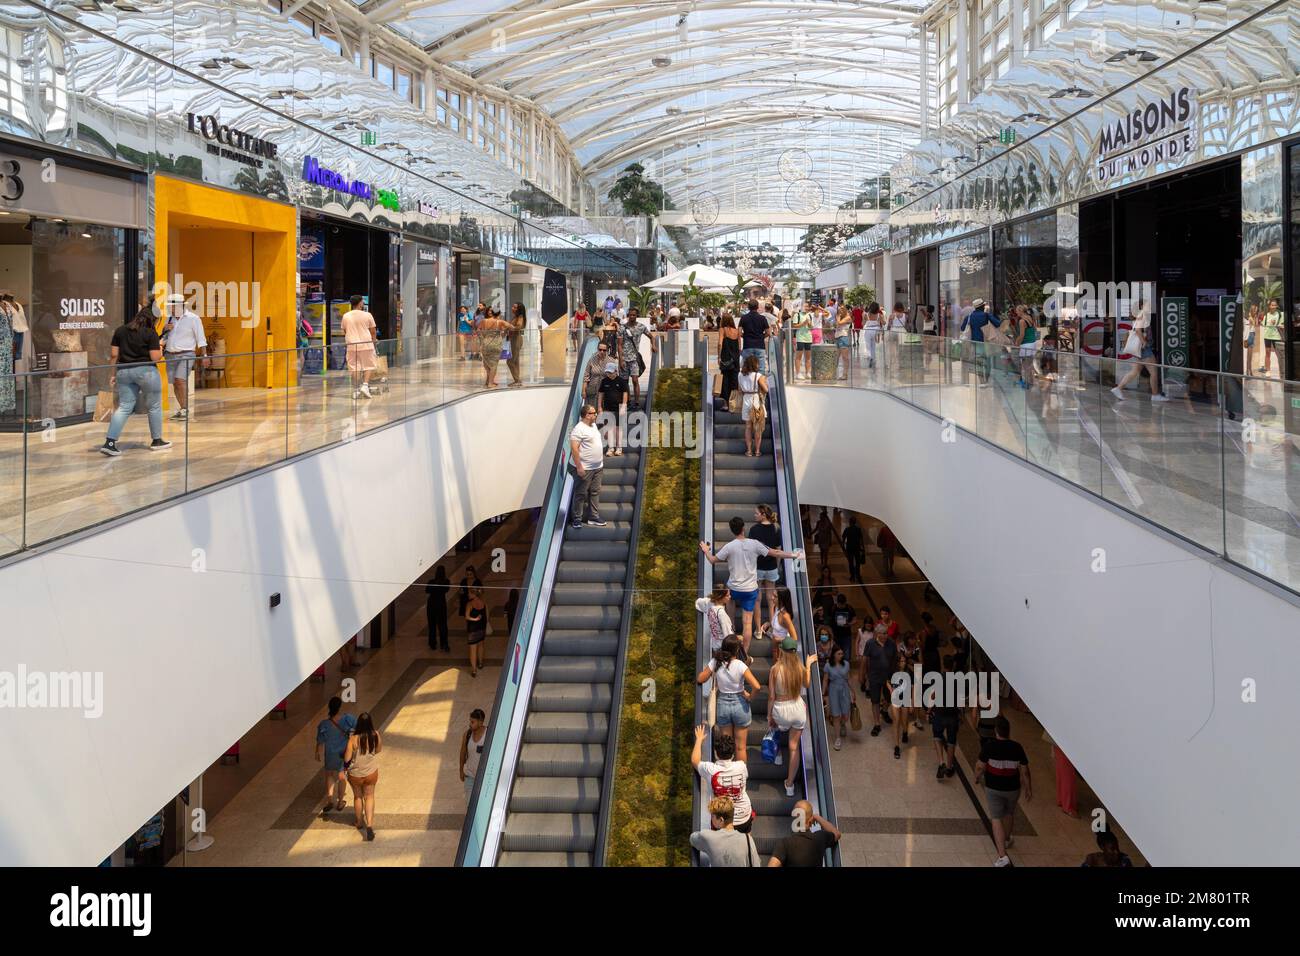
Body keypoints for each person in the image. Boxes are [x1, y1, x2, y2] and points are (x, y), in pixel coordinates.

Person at [700, 517, 799, 653]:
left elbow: (712, 560)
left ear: (732, 530)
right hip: (750, 590)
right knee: (747, 624)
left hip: (733, 588)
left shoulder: (729, 546)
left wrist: (706, 550)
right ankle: (744, 654)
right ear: (743, 528)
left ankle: (732, 628)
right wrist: (794, 555)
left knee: (730, 609)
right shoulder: (755, 544)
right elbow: (775, 552)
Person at [100, 306, 171, 456]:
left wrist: (111, 374)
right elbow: (155, 357)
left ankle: (110, 443)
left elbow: (113, 355)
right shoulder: (150, 333)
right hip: (147, 372)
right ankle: (157, 441)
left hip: (124, 372)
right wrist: (161, 347)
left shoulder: (120, 330)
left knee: (125, 406)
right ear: (152, 319)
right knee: (154, 406)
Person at [975, 715, 1031, 867]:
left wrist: (977, 776)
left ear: (996, 731)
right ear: (1008, 731)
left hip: (994, 788)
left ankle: (1002, 855)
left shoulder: (989, 747)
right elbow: (1025, 771)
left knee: (996, 818)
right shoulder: (1017, 747)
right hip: (1013, 789)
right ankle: (1007, 838)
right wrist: (1028, 788)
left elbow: (980, 766)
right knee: (1009, 813)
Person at [769, 637, 819, 797]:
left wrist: (769, 715)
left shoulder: (775, 669)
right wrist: (809, 665)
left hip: (781, 710)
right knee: (793, 746)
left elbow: (771, 696)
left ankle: (776, 756)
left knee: (774, 727)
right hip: (798, 709)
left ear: (781, 651)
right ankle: (789, 785)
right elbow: (807, 684)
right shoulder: (799, 667)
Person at [160, 293, 207, 421]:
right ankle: (182, 409)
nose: (171, 308)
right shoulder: (169, 319)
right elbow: (164, 338)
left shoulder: (193, 318)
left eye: (172, 306)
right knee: (175, 383)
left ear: (180, 305)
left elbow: (201, 338)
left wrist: (205, 355)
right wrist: (165, 330)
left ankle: (185, 409)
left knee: (180, 380)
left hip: (186, 354)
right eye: (170, 306)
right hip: (170, 355)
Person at [1110, 300, 1166, 402]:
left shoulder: (1139, 315)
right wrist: (1144, 342)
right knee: (1154, 372)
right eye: (1147, 305)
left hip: (1140, 349)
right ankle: (1155, 395)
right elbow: (1138, 330)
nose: (1149, 307)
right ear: (1141, 306)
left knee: (1135, 371)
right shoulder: (1142, 315)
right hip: (1145, 349)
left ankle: (1118, 388)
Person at [691, 795, 760, 867]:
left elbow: (692, 838)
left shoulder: (708, 837)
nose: (711, 819)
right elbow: (756, 865)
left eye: (712, 816)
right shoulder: (748, 839)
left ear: (721, 820)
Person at [315, 696, 356, 815]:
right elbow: (357, 727)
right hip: (344, 753)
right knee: (342, 776)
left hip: (330, 753)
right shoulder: (347, 719)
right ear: (339, 707)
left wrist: (317, 752)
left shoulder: (324, 724)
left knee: (329, 775)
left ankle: (329, 800)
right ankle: (340, 801)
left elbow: (320, 740)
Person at [344, 711, 382, 841]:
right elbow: (378, 750)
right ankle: (370, 824)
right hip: (371, 772)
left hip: (355, 774)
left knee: (358, 797)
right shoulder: (375, 734)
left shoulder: (353, 739)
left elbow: (347, 758)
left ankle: (359, 822)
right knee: (370, 796)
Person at [767, 799, 840, 867]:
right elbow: (836, 834)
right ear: (810, 821)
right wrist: (817, 817)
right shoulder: (820, 838)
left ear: (793, 820)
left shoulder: (785, 844)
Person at [570, 403, 605, 528]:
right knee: (580, 493)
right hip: (585, 468)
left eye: (595, 412)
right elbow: (574, 449)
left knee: (595, 491)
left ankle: (593, 517)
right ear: (585, 415)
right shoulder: (578, 429)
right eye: (593, 413)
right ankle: (577, 519)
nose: (595, 414)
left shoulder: (593, 425)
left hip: (598, 467)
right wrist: (579, 467)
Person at [863, 614, 898, 736]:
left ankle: (884, 711)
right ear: (877, 633)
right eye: (883, 633)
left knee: (889, 698)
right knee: (875, 700)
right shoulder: (870, 644)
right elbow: (866, 660)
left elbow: (895, 660)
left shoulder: (892, 643)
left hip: (888, 678)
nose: (885, 635)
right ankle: (877, 724)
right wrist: (864, 676)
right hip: (874, 677)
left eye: (886, 633)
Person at [748, 504, 782, 630]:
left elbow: (751, 551)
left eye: (756, 513)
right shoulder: (776, 528)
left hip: (758, 568)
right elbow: (778, 550)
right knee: (771, 598)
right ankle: (773, 626)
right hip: (771, 567)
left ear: (763, 515)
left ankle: (758, 629)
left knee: (757, 598)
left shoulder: (754, 529)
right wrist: (777, 565)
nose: (754, 515)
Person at [340, 294, 378, 399]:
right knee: (368, 365)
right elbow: (373, 331)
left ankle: (356, 390)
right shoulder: (367, 315)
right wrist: (373, 342)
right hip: (366, 343)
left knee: (354, 367)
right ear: (360, 303)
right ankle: (365, 386)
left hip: (351, 344)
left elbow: (344, 330)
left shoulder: (346, 316)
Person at [959, 298, 1003, 385]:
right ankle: (986, 379)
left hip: (974, 344)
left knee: (978, 362)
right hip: (986, 342)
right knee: (987, 361)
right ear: (982, 306)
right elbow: (998, 324)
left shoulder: (969, 316)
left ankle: (981, 381)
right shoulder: (986, 315)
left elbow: (962, 328)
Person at [619, 308, 655, 408]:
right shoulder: (622, 328)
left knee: (635, 380)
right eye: (630, 315)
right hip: (624, 358)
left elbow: (651, 336)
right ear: (627, 316)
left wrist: (653, 345)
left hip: (634, 358)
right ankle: (627, 401)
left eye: (634, 315)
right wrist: (621, 359)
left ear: (636, 316)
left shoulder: (641, 327)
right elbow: (619, 345)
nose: (632, 317)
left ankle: (637, 401)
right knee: (624, 382)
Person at [822, 644, 854, 750]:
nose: (841, 655)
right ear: (834, 655)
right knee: (836, 715)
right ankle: (837, 738)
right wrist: (823, 693)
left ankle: (843, 724)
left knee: (845, 714)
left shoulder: (846, 664)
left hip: (844, 689)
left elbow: (848, 678)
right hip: (833, 690)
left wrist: (853, 691)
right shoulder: (828, 666)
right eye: (839, 653)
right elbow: (825, 680)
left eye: (842, 653)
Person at [736, 354, 767, 458]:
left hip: (746, 400)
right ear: (755, 364)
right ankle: (757, 451)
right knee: (757, 428)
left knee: (748, 427)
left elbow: (740, 390)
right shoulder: (758, 376)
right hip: (755, 401)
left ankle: (749, 451)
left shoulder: (740, 375)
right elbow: (766, 389)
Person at [596, 362, 628, 456]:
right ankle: (610, 448)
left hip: (619, 408)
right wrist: (599, 407)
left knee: (619, 429)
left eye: (610, 372)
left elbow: (625, 394)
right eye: (607, 372)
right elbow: (601, 394)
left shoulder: (621, 381)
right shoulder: (604, 381)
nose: (609, 374)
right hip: (608, 408)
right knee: (609, 428)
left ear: (616, 371)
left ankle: (619, 448)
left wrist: (623, 406)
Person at [476, 308, 512, 388]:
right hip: (496, 345)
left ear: (491, 313)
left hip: (485, 344)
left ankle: (488, 381)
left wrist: (482, 339)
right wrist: (504, 332)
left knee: (487, 364)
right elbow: (511, 327)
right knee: (494, 365)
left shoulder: (484, 321)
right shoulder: (500, 322)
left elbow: (478, 330)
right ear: (499, 314)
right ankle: (490, 383)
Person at [695, 585, 733, 657]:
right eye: (727, 595)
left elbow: (698, 602)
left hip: (715, 645)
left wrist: (710, 599)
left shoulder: (710, 604)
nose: (730, 597)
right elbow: (728, 636)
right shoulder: (722, 614)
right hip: (723, 649)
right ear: (720, 597)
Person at [459, 708, 487, 801]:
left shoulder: (489, 735)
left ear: (480, 722)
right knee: (470, 804)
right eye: (470, 721)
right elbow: (462, 753)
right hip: (470, 775)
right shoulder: (467, 734)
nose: (470, 724)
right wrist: (461, 770)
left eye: (472, 722)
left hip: (484, 776)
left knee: (482, 802)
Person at [738, 300, 770, 375]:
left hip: (747, 345)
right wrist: (761, 337)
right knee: (761, 369)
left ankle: (748, 385)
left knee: (747, 368)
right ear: (757, 307)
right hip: (760, 345)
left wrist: (745, 336)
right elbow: (768, 332)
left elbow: (739, 332)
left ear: (748, 307)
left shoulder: (743, 318)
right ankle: (759, 385)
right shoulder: (762, 318)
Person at [717, 313, 740, 405]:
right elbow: (739, 346)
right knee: (734, 379)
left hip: (726, 356)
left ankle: (725, 403)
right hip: (735, 358)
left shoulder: (722, 329)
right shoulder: (737, 330)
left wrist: (719, 356)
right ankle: (734, 402)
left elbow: (720, 343)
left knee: (725, 379)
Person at [464, 586, 487, 677]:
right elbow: (487, 616)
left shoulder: (469, 604)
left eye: (469, 593)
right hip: (482, 628)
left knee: (473, 650)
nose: (468, 595)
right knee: (481, 646)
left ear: (473, 594)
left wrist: (475, 619)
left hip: (473, 630)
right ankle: (480, 663)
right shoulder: (483, 603)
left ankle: (474, 670)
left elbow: (467, 617)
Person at [426, 565, 450, 651]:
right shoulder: (446, 581)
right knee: (442, 625)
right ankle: (444, 643)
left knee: (432, 625)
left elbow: (427, 590)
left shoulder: (432, 581)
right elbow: (445, 590)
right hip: (441, 605)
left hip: (431, 605)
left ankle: (432, 643)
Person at [1013, 305, 1037, 389]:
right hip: (1032, 343)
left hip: (1026, 344)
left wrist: (1017, 342)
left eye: (1017, 311)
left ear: (1020, 311)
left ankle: (1028, 384)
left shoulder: (1022, 321)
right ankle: (1031, 382)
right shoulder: (1030, 317)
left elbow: (1022, 335)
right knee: (1029, 364)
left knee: (1025, 365)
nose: (1016, 312)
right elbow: (1034, 330)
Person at [505, 302, 528, 386]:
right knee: (515, 361)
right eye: (513, 306)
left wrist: (509, 327)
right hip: (514, 339)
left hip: (516, 340)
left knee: (510, 361)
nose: (512, 308)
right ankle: (517, 380)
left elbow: (519, 326)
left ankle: (517, 380)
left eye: (515, 307)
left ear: (519, 309)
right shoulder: (516, 317)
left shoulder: (520, 317)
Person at [583, 340, 610, 408]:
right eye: (600, 349)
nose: (602, 352)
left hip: (605, 391)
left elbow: (614, 377)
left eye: (604, 350)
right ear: (597, 349)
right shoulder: (591, 360)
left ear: (607, 350)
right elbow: (586, 376)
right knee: (591, 410)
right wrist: (583, 391)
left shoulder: (611, 361)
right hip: (592, 390)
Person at [1259, 297, 1283, 376]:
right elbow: (1263, 324)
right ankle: (1268, 370)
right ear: (1269, 306)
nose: (1273, 307)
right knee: (1268, 353)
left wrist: (1280, 326)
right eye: (1272, 305)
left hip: (1276, 336)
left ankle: (1282, 370)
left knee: (1279, 354)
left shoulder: (1280, 314)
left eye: (1275, 305)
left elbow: (1282, 324)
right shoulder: (1266, 316)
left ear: (1277, 306)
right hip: (1267, 336)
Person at [791, 304, 813, 379]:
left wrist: (809, 324)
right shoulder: (797, 315)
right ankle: (798, 373)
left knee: (808, 357)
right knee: (798, 357)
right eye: (805, 306)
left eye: (807, 306)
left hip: (808, 338)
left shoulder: (809, 315)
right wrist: (803, 324)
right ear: (801, 307)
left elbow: (811, 327)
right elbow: (794, 326)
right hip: (800, 337)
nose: (806, 308)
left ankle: (808, 372)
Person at [842, 514, 865, 584]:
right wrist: (862, 548)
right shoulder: (858, 529)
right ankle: (857, 575)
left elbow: (843, 538)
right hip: (857, 548)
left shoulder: (847, 529)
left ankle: (852, 576)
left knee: (851, 563)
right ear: (855, 522)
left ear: (850, 522)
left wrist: (843, 547)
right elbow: (861, 539)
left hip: (849, 548)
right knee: (857, 563)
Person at [833, 306, 853, 379]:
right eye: (839, 309)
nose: (840, 310)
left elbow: (839, 323)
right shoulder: (840, 317)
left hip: (843, 337)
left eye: (841, 309)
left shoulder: (848, 317)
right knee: (836, 357)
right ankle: (833, 373)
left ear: (845, 310)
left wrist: (837, 317)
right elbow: (836, 325)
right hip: (837, 337)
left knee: (845, 357)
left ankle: (845, 374)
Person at [863, 302, 883, 370]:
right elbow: (884, 322)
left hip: (868, 330)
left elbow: (862, 323)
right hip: (876, 329)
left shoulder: (866, 314)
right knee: (873, 346)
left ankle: (869, 357)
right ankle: (873, 359)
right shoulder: (879, 314)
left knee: (868, 345)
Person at [812, 508, 833, 572]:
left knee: (826, 553)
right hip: (821, 539)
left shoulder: (828, 523)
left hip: (826, 539)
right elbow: (816, 529)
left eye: (821, 516)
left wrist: (830, 541)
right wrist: (811, 533)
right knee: (821, 551)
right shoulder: (818, 522)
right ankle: (822, 562)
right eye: (820, 516)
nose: (820, 517)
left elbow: (830, 533)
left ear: (824, 517)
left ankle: (825, 564)